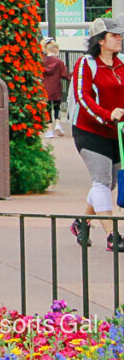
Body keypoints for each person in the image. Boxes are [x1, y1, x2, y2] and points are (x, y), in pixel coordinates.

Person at [69, 17, 124, 250]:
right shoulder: (86, 63)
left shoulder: (121, 64)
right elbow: (83, 97)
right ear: (100, 40)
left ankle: (81, 223)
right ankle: (113, 235)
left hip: (117, 133)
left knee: (109, 182)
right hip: (89, 130)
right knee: (101, 180)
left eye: (120, 35)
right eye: (114, 35)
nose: (119, 39)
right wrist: (106, 114)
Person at [41, 39, 69, 138]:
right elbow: (64, 74)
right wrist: (72, 77)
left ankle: (49, 130)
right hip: (56, 88)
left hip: (45, 89)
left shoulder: (42, 61)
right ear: (56, 50)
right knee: (57, 107)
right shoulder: (59, 61)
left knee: (47, 109)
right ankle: (57, 123)